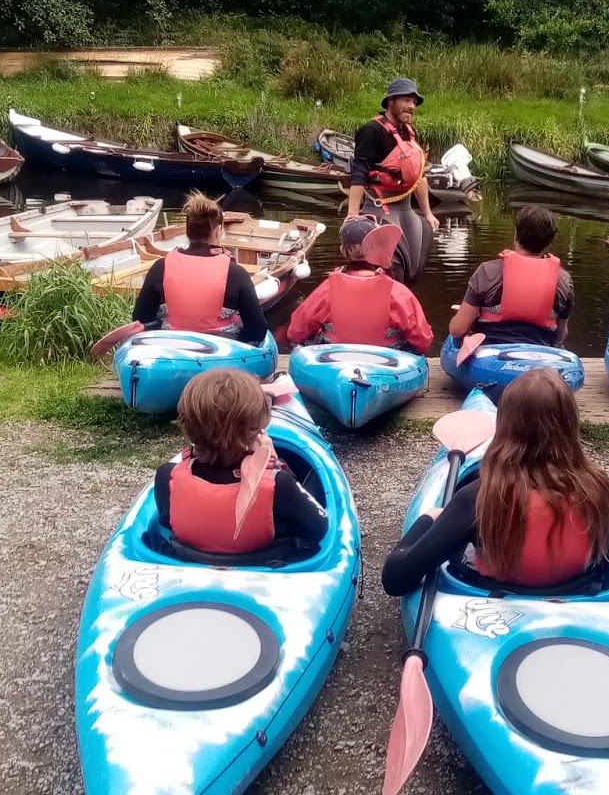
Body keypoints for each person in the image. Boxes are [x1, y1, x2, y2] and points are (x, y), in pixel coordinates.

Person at [382, 369, 609, 594]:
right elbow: (603, 563)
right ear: (570, 424)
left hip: (489, 591)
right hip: (571, 588)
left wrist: (429, 518)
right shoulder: (601, 491)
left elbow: (396, 579)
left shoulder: (478, 499)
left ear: (504, 427)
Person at [156, 369, 327, 555]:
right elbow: (319, 528)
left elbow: (167, 521)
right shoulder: (279, 485)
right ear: (254, 431)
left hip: (191, 562)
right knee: (315, 477)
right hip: (267, 567)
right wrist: (273, 463)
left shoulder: (167, 475)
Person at [132, 192, 268, 342]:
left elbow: (141, 318)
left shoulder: (161, 267)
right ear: (218, 231)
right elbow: (258, 330)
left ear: (187, 230)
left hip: (172, 347)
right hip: (222, 351)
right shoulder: (236, 273)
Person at [287, 215, 433, 352]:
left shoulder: (327, 289)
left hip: (336, 360)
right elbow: (423, 341)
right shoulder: (398, 292)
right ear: (377, 249)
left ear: (343, 251)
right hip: (386, 363)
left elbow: (295, 332)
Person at [346, 77, 438, 282]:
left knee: (413, 271)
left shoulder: (409, 132)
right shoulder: (372, 131)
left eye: (414, 102)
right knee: (389, 273)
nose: (412, 106)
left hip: (407, 212)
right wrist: (352, 215)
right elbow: (359, 172)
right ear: (391, 101)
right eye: (406, 100)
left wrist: (428, 213)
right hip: (380, 210)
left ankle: (405, 309)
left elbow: (419, 175)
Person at [448, 205, 573, 348]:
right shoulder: (564, 280)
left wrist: (469, 319)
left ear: (516, 235)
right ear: (549, 241)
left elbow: (457, 330)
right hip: (539, 355)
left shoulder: (487, 271)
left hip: (489, 355)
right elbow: (560, 335)